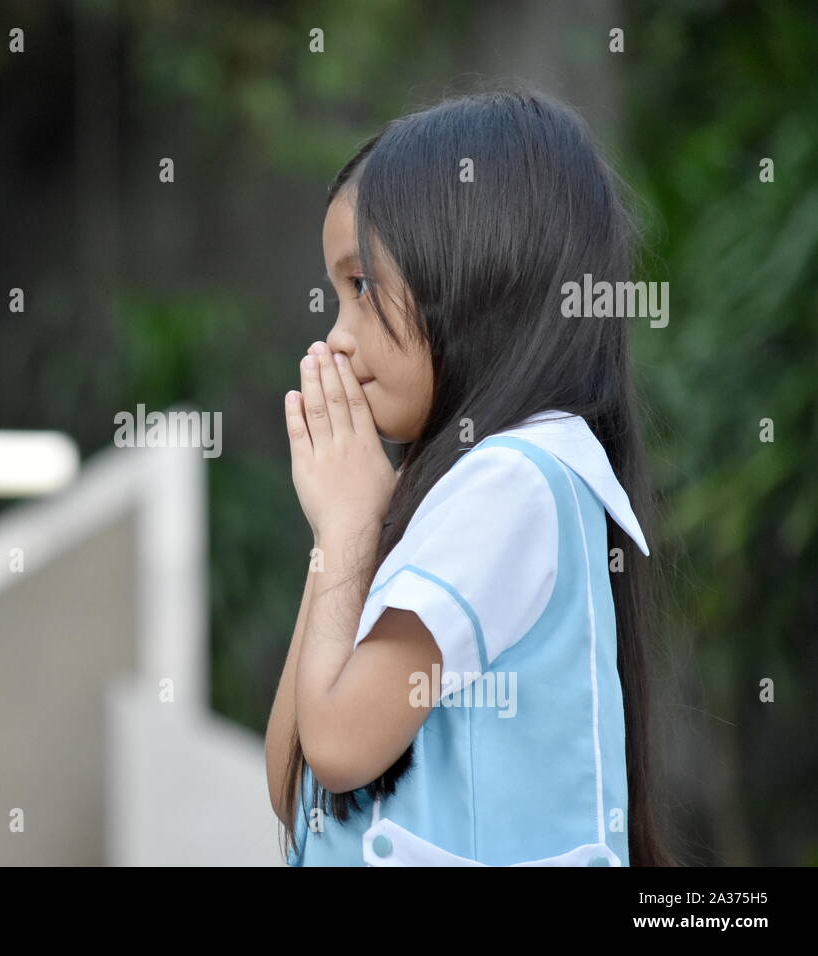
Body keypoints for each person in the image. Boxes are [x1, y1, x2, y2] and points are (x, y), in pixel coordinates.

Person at [266, 88, 674, 866]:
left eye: (361, 287)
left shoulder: (518, 478)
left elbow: (339, 745)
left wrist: (351, 527)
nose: (336, 339)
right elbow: (293, 782)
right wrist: (339, 535)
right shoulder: (455, 490)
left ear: (481, 268)